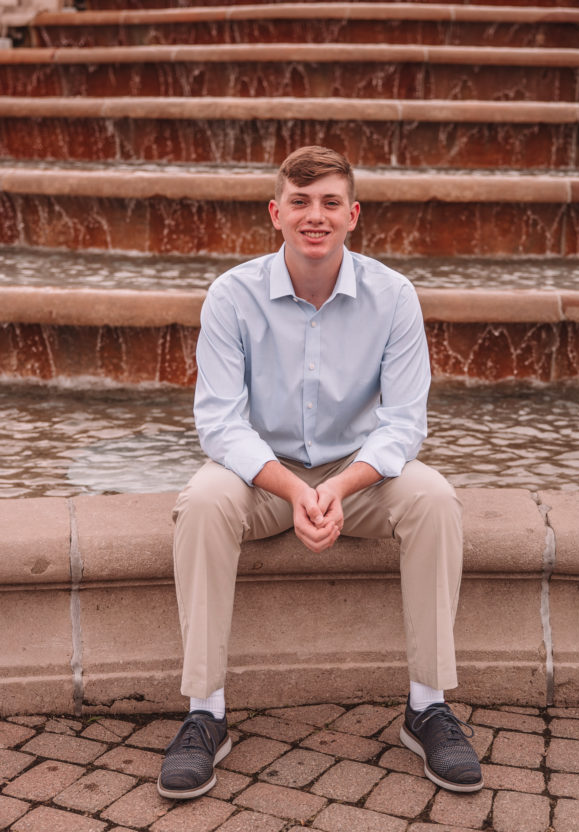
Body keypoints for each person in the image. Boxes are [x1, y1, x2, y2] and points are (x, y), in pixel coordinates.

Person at [158, 145, 483, 800]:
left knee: (434, 499)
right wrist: (290, 486)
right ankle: (205, 712)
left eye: (329, 202)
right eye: (300, 203)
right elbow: (220, 423)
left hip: (354, 477)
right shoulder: (232, 296)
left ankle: (427, 706)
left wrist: (335, 487)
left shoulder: (392, 297)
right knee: (200, 502)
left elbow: (403, 425)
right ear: (275, 213)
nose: (315, 216)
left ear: (352, 214)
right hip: (261, 475)